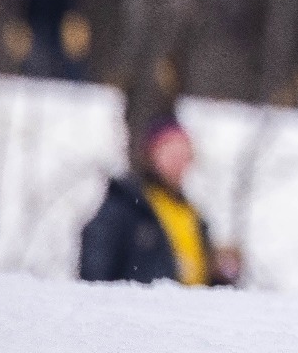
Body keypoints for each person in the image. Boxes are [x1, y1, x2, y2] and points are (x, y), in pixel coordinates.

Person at [79, 112, 237, 286]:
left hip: (187, 311)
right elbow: (94, 276)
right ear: (151, 154)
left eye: (183, 153)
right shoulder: (124, 205)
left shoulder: (193, 215)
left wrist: (222, 274)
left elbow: (201, 282)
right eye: (170, 151)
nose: (177, 160)